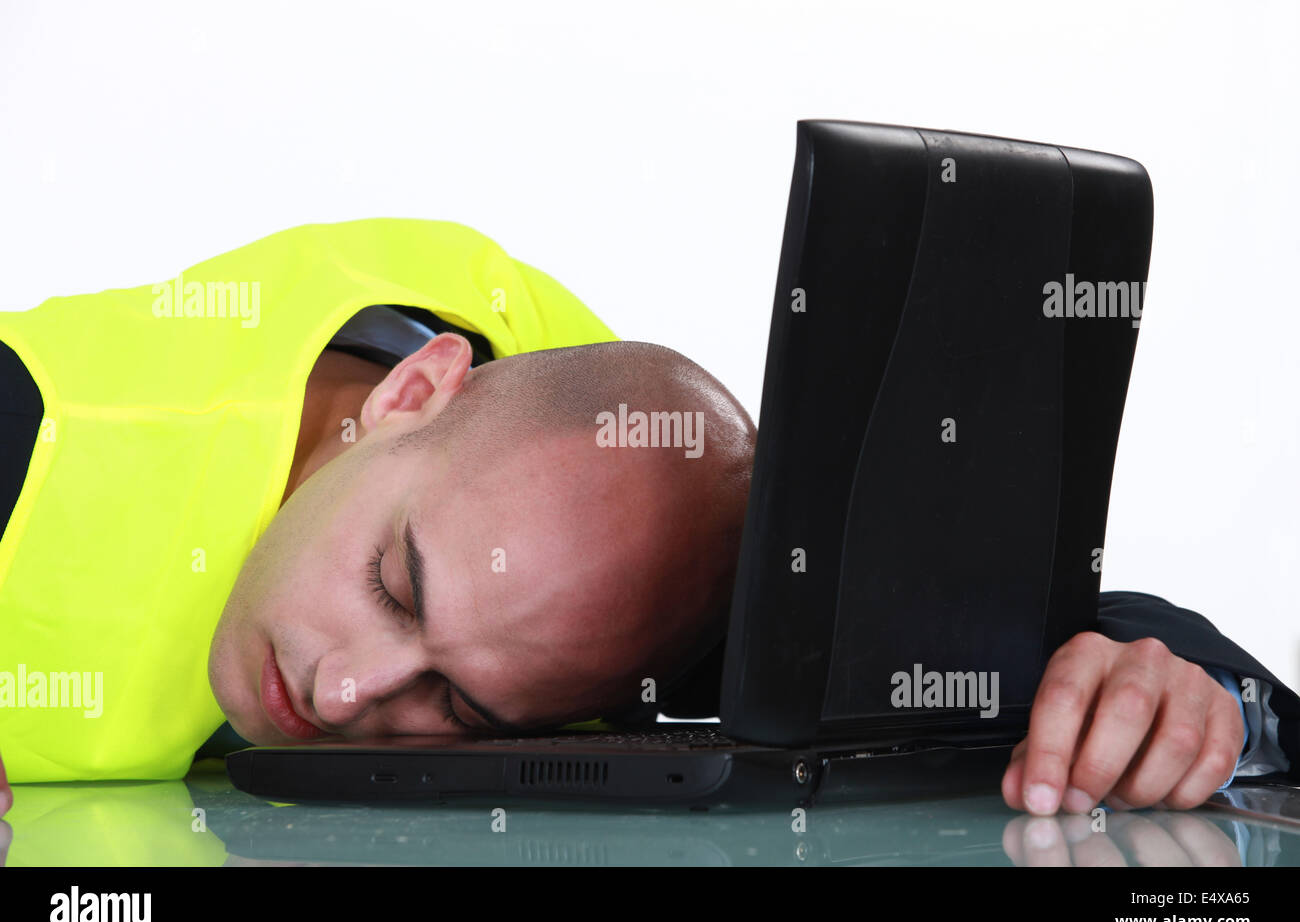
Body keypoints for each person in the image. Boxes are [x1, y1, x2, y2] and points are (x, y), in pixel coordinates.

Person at [0, 219, 1293, 824]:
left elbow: (911, 637)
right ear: (403, 397)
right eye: (398, 585)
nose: (343, 691)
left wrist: (1180, 689)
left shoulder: (579, 450)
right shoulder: (39, 438)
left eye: (460, 708)